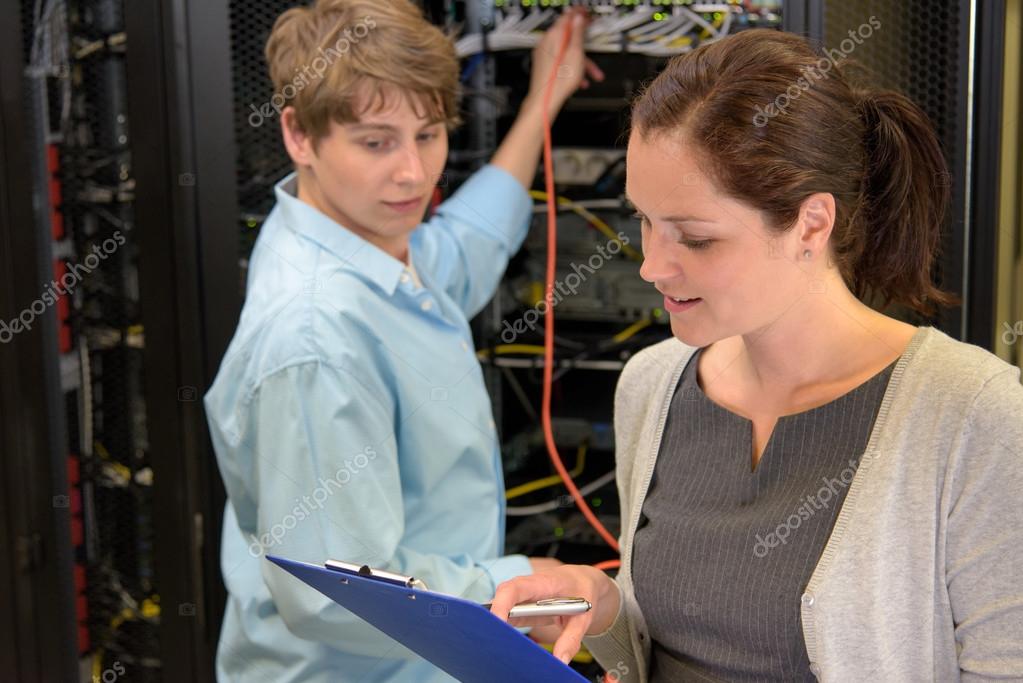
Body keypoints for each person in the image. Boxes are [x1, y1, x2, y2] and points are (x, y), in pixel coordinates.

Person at [491, 28, 1023, 682]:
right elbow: (667, 640)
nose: (652, 265)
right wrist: (604, 609)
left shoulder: (975, 416)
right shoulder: (651, 386)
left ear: (810, 224)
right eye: (644, 221)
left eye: (694, 237)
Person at [203, 2, 603, 681]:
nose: (414, 174)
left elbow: (465, 247)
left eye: (429, 133)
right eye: (376, 141)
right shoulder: (316, 339)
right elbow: (341, 595)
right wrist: (516, 580)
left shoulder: (358, 239)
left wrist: (544, 98)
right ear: (300, 135)